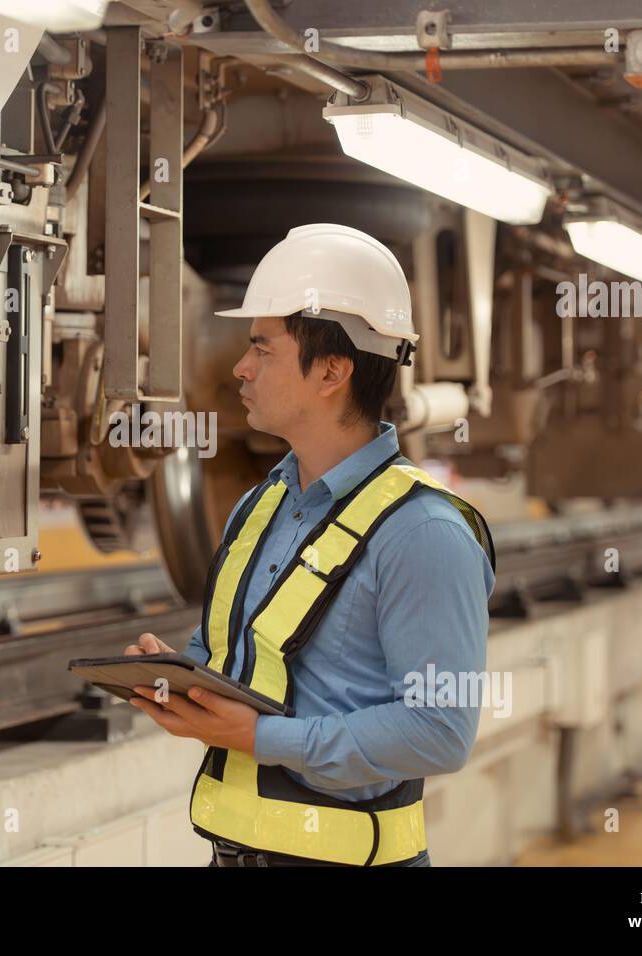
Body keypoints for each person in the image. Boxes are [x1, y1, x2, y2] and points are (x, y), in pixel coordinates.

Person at [123, 224, 495, 867]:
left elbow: (441, 732)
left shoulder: (424, 532)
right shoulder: (261, 505)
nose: (240, 368)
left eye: (262, 349)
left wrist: (266, 737)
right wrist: (182, 678)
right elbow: (254, 664)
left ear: (330, 370)